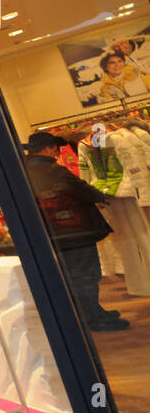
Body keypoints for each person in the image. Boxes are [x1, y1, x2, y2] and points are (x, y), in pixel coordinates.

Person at [23, 131, 126, 330]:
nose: (57, 152)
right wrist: (101, 197)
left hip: (53, 231)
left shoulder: (25, 170)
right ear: (47, 148)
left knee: (73, 275)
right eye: (55, 148)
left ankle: (87, 314)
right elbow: (80, 189)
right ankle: (93, 317)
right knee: (87, 274)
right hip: (75, 231)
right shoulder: (54, 170)